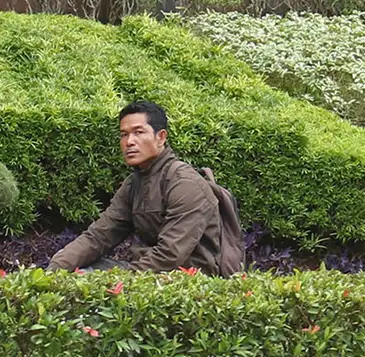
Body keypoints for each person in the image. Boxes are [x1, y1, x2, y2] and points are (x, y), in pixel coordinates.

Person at [47, 102, 243, 275]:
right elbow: (99, 236)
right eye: (124, 134)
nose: (129, 142)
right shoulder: (134, 183)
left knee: (88, 275)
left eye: (139, 132)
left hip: (190, 280)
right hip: (155, 272)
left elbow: (170, 255)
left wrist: (116, 279)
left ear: (161, 137)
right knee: (72, 266)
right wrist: (54, 269)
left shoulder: (185, 184)